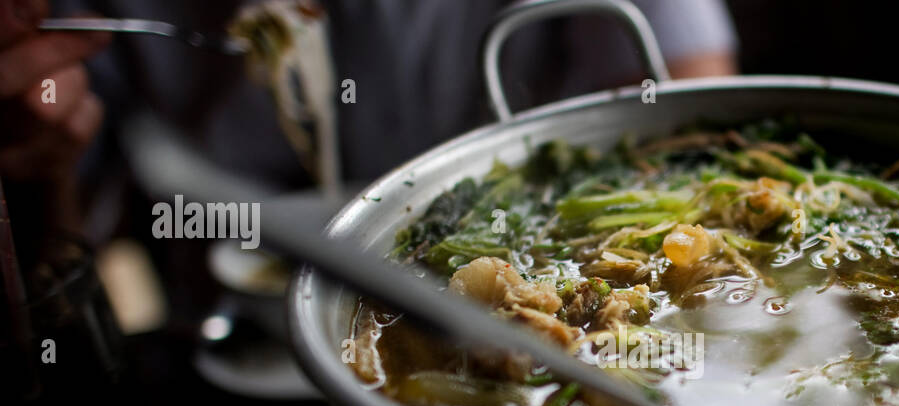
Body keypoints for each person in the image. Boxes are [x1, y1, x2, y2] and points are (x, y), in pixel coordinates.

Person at [0, 0, 739, 260]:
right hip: (234, 345)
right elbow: (63, 241)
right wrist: (32, 163)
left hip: (513, 290)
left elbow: (685, 88)